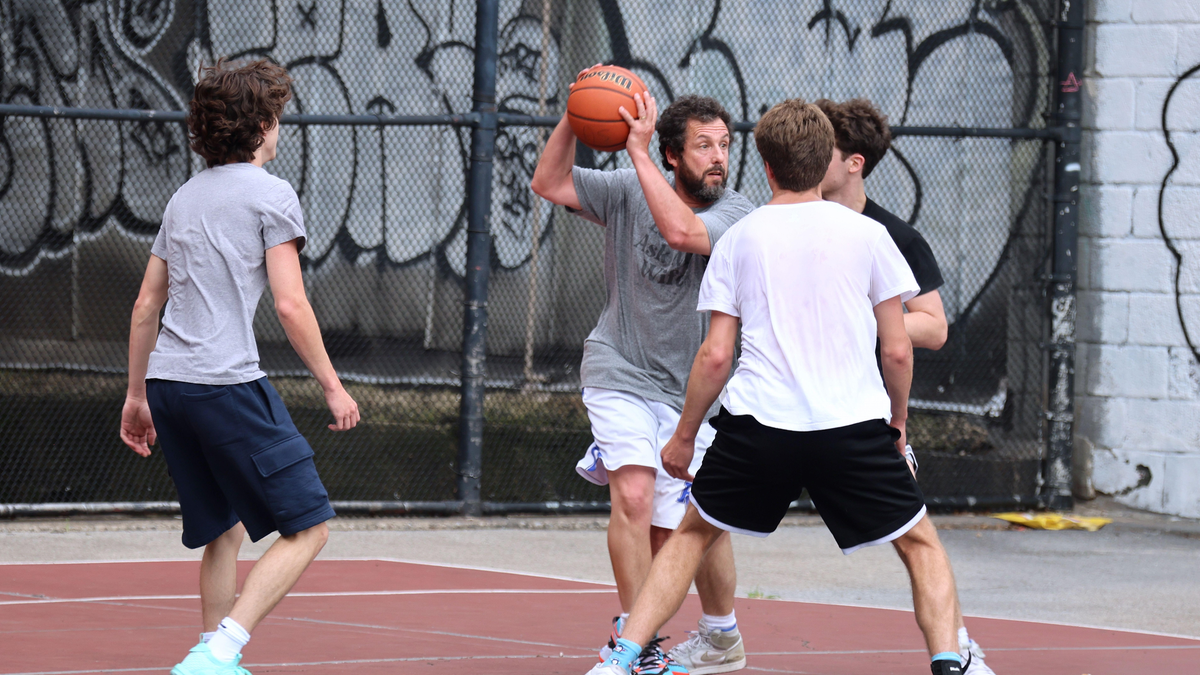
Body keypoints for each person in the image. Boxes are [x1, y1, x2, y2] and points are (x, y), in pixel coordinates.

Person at [586, 98, 972, 675]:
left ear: (766, 166)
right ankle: (949, 664)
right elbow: (897, 349)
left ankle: (621, 659)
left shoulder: (740, 237)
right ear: (823, 162)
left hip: (760, 428)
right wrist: (897, 423)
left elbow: (716, 355)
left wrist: (685, 435)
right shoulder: (870, 236)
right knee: (920, 546)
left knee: (691, 536)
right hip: (851, 426)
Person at [120, 58, 359, 675]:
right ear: (260, 125)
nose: (280, 127)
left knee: (223, 531)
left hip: (169, 386)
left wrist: (137, 395)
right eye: (276, 117)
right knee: (310, 528)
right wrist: (333, 386)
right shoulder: (272, 195)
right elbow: (290, 303)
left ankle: (208, 657)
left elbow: (146, 305)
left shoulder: (183, 198)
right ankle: (220, 652)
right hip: (224, 385)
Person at [531, 73, 754, 674]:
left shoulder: (738, 213)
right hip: (618, 365)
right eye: (704, 145)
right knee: (631, 494)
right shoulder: (628, 188)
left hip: (689, 392)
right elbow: (547, 182)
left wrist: (635, 153)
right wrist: (577, 113)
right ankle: (639, 642)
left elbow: (682, 232)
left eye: (724, 144)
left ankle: (720, 633)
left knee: (689, 526)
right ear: (673, 154)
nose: (718, 157)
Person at [816, 97, 994, 675]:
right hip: (787, 409)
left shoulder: (893, 236)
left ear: (855, 163)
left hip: (859, 416)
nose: (811, 156)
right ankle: (715, 633)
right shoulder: (791, 222)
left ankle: (960, 652)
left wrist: (859, 320)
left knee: (916, 542)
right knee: (702, 522)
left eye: (825, 149)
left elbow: (933, 326)